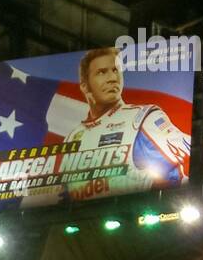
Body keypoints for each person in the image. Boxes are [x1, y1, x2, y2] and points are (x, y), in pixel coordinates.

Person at [64, 47, 190, 201]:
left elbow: (186, 159)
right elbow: (63, 194)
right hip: (89, 221)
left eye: (116, 70)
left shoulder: (142, 119)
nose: (112, 78)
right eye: (102, 72)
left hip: (147, 214)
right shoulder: (72, 137)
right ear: (85, 86)